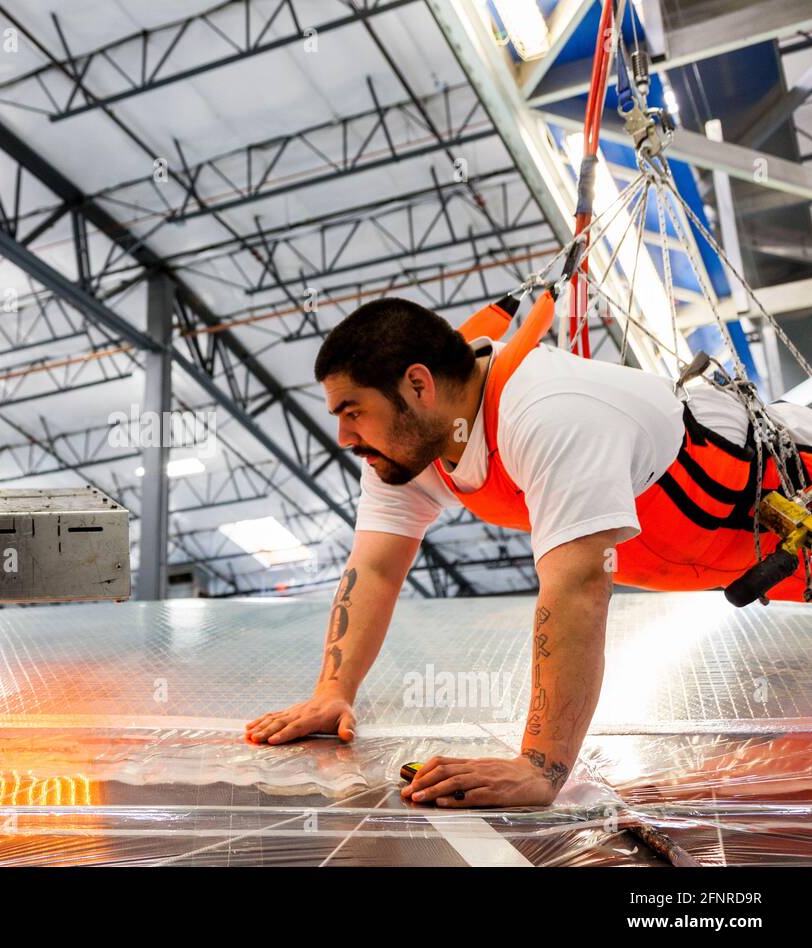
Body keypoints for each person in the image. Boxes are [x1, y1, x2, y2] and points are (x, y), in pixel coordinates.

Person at [245, 291, 812, 809]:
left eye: (352, 412)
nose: (344, 439)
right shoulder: (405, 452)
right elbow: (373, 568)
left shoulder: (549, 412)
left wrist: (539, 766)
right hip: (742, 555)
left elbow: (579, 586)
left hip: (787, 478)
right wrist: (332, 692)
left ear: (419, 385)